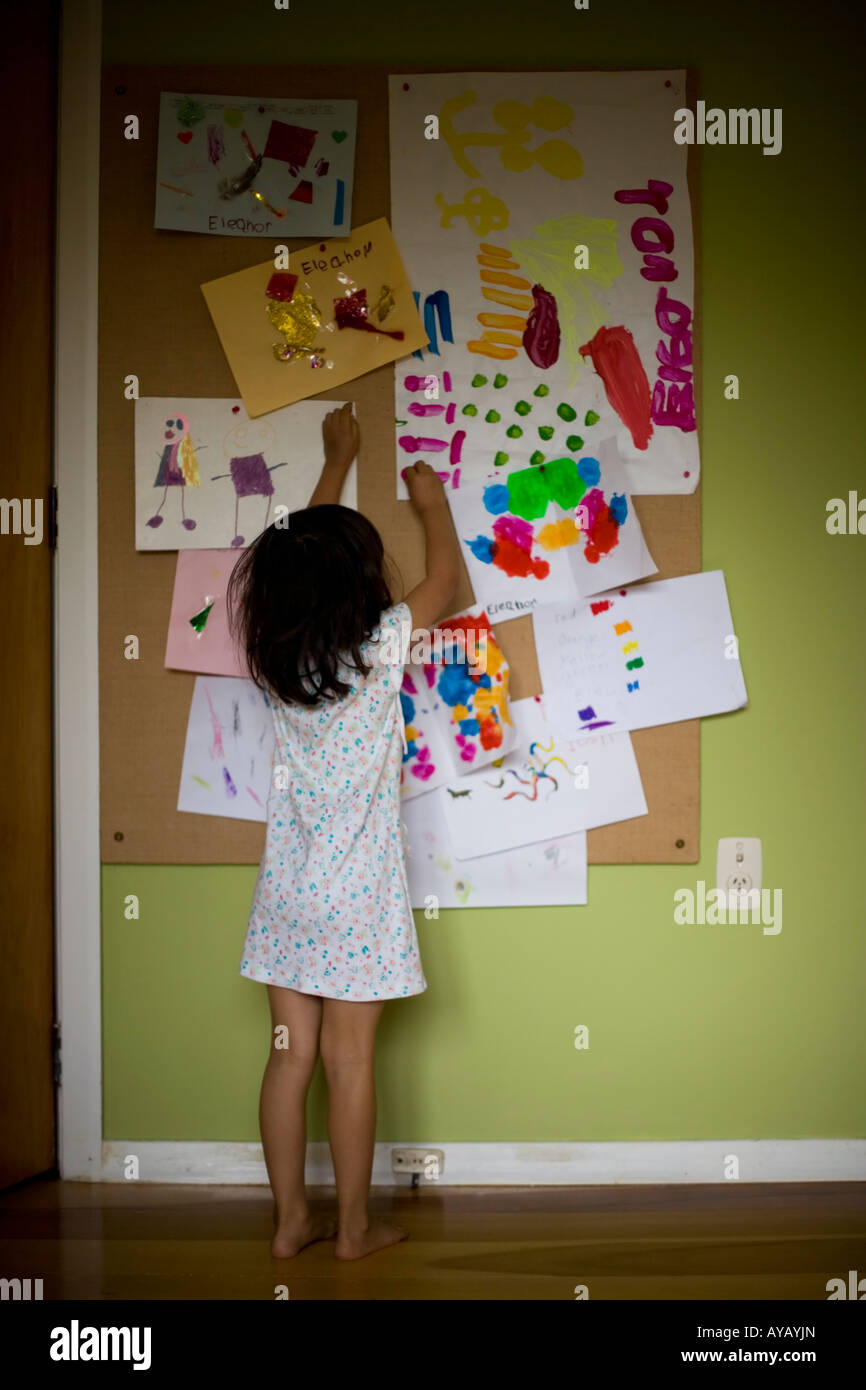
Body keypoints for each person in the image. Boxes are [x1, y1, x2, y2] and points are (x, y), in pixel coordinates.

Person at [227, 403, 460, 1261]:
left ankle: (290, 1222)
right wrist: (432, 502)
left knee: (290, 1058)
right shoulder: (381, 647)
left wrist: (335, 462)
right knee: (350, 1064)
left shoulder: (283, 664)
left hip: (288, 898)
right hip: (356, 903)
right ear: (357, 585)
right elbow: (445, 582)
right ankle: (354, 1229)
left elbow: (300, 558)